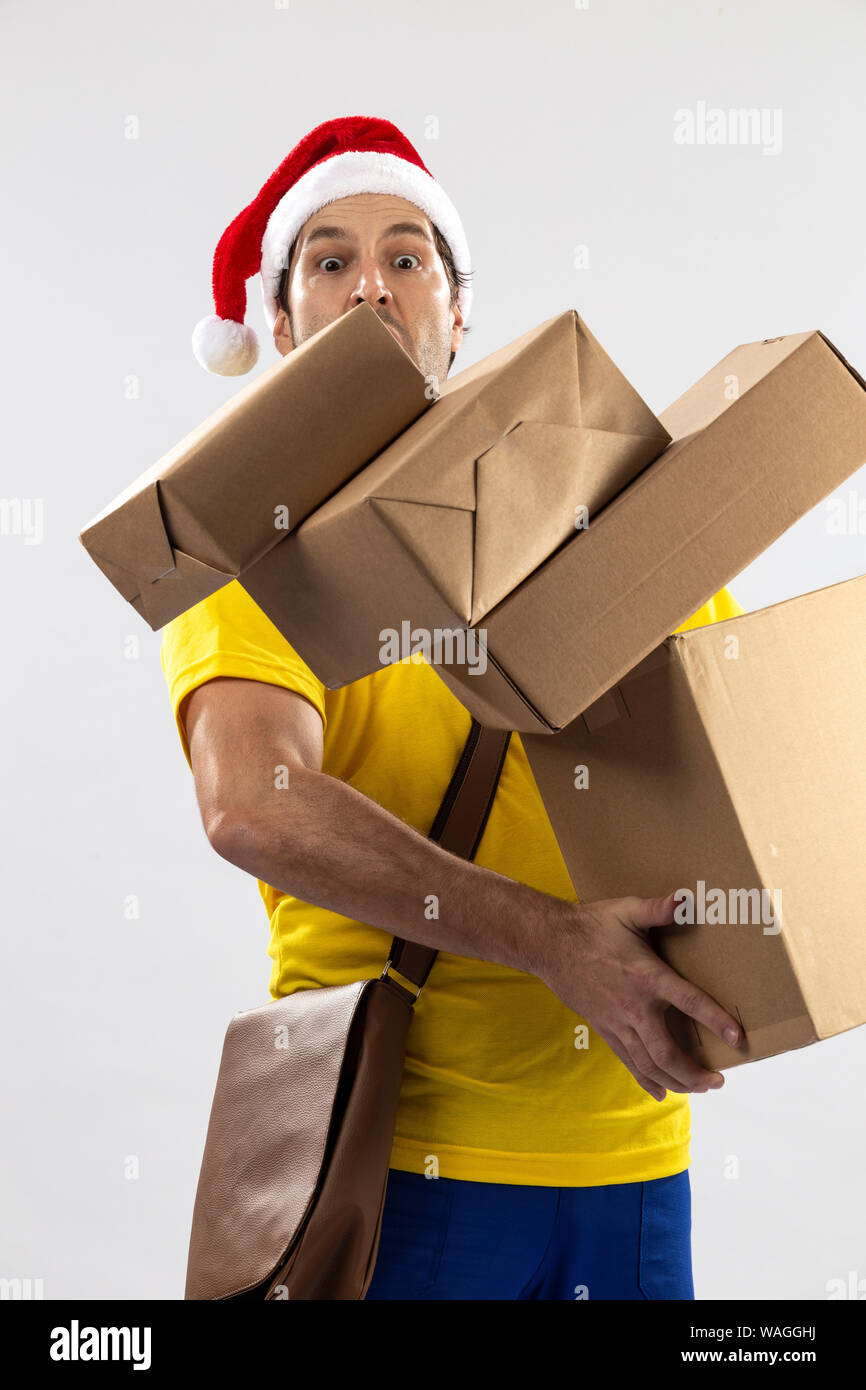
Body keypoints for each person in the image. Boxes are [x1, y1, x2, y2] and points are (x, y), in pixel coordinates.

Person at [162, 115, 745, 1301]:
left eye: (406, 255)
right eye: (327, 260)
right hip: (404, 1164)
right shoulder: (249, 556)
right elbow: (250, 806)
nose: (370, 284)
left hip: (634, 1157)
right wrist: (548, 939)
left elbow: (742, 772)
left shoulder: (609, 518)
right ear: (280, 325)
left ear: (457, 307)